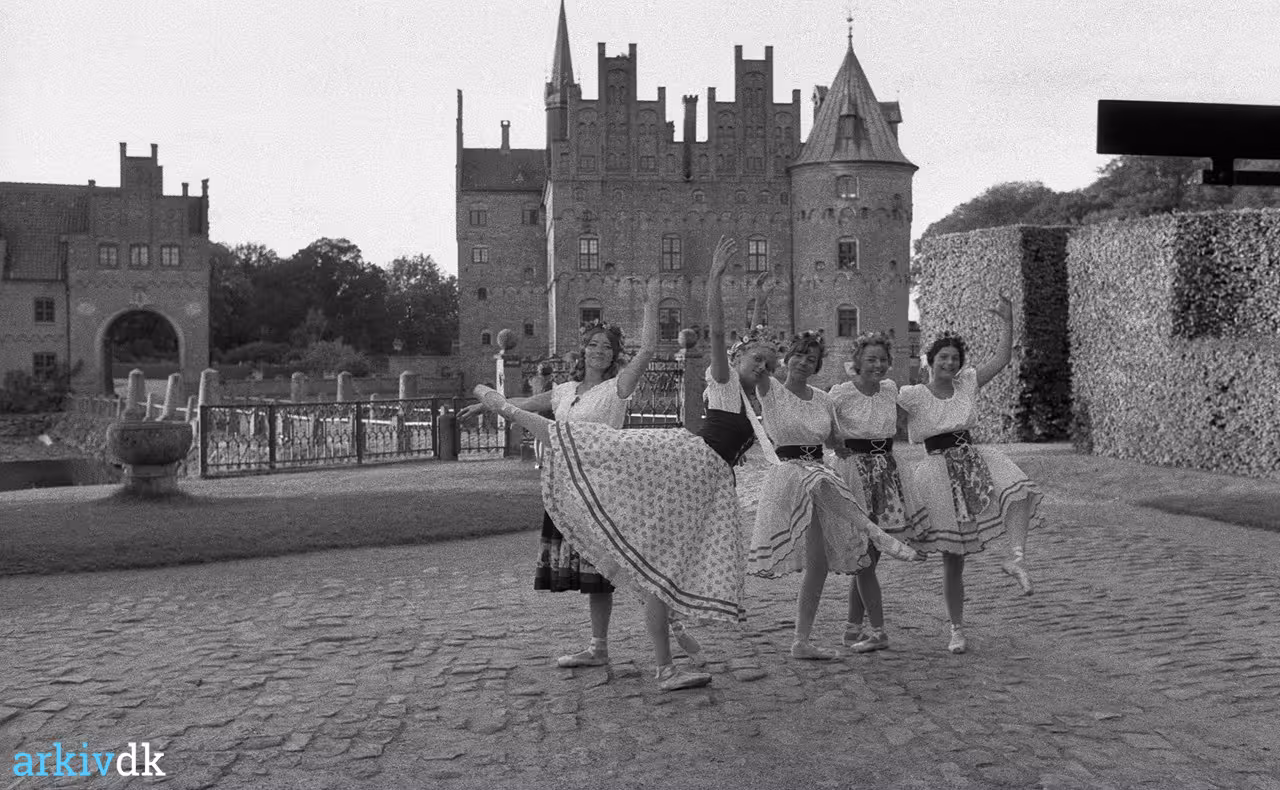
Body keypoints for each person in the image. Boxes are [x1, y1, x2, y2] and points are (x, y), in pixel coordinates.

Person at [467, 236, 782, 691]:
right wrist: (714, 279)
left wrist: (758, 304)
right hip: (665, 467)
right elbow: (727, 342)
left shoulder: (746, 394)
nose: (765, 367)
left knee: (656, 566)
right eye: (592, 344)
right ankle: (656, 659)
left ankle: (665, 653)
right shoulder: (725, 381)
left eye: (770, 363)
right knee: (647, 562)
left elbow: (752, 349)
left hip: (681, 478)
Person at [459, 278, 660, 670]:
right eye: (594, 344)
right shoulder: (564, 390)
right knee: (592, 571)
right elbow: (522, 404)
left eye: (608, 347)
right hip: (567, 488)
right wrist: (486, 405)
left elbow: (649, 350)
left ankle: (665, 636)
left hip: (603, 488)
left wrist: (649, 304)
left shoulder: (618, 387)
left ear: (615, 355)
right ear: (583, 349)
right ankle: (598, 648)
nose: (600, 351)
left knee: (610, 566)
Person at [747, 330, 926, 661]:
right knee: (829, 555)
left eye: (812, 358)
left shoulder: (823, 398)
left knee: (820, 565)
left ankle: (804, 640)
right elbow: (754, 364)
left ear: (817, 366)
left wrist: (852, 450)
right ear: (787, 359)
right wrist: (757, 337)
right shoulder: (771, 389)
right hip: (793, 477)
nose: (804, 362)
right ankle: (888, 546)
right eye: (799, 355)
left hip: (821, 475)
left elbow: (832, 440)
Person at [897, 294, 1041, 654]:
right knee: (953, 555)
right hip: (937, 471)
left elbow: (1001, 360)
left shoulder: (967, 384)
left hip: (973, 461)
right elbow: (880, 411)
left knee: (1018, 492)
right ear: (931, 360)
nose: (950, 362)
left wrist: (1008, 322)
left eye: (955, 358)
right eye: (943, 357)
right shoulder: (913, 395)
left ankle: (1016, 558)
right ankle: (956, 629)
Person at [828, 331, 916, 653]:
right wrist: (834, 445)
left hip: (887, 475)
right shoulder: (841, 393)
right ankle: (878, 631)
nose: (877, 365)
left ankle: (853, 628)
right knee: (862, 555)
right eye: (870, 359)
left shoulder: (890, 389)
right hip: (855, 475)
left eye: (882, 359)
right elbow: (821, 421)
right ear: (857, 361)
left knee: (870, 558)